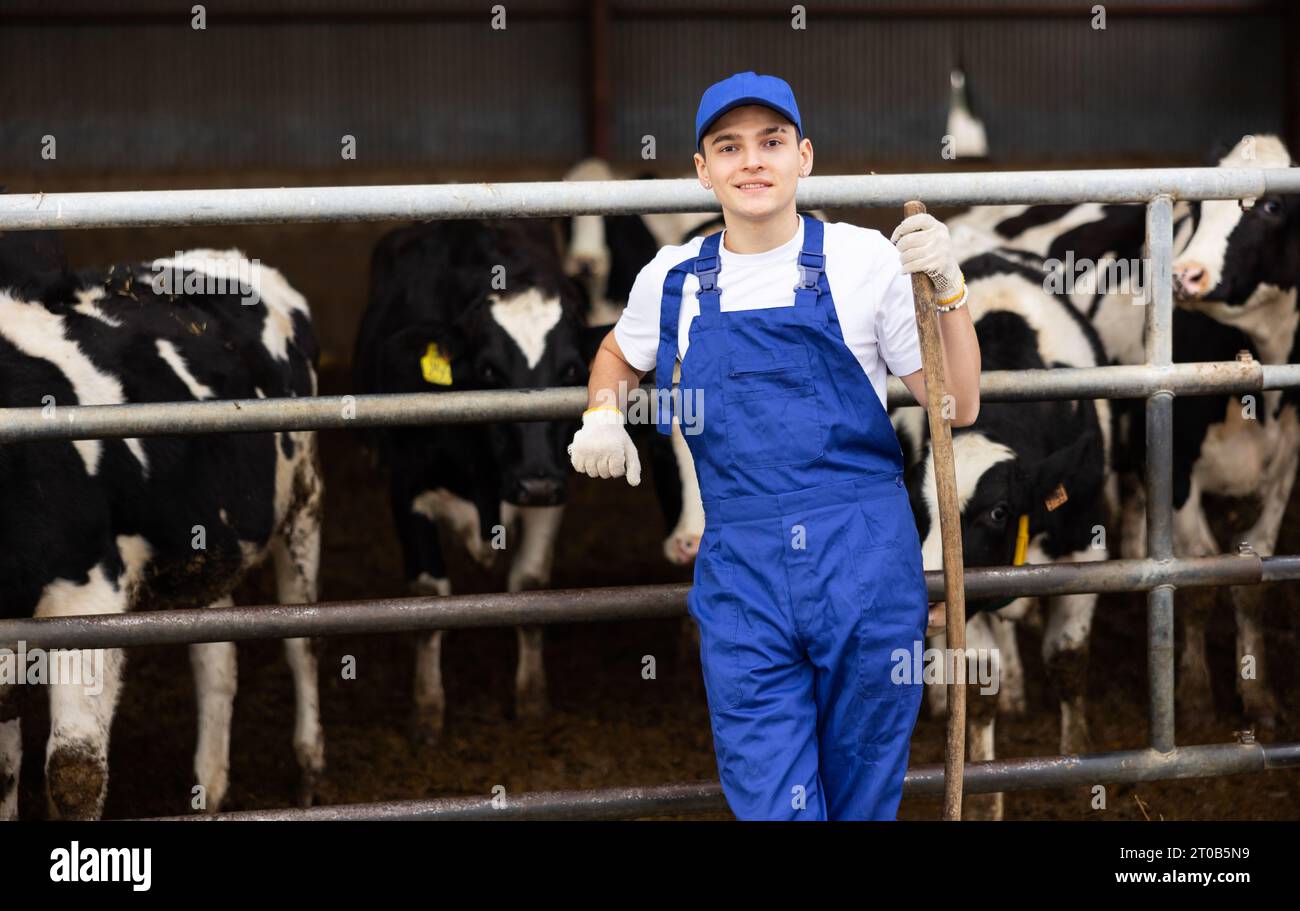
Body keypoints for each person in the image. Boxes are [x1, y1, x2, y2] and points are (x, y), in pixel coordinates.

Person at [568, 71, 981, 820]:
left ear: (805, 157)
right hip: (743, 575)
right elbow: (617, 355)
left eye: (771, 142)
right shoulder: (671, 279)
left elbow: (958, 401)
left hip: (865, 563)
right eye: (729, 146)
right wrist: (602, 411)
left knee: (862, 794)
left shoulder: (864, 262)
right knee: (771, 797)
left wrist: (949, 291)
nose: (752, 161)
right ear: (702, 170)